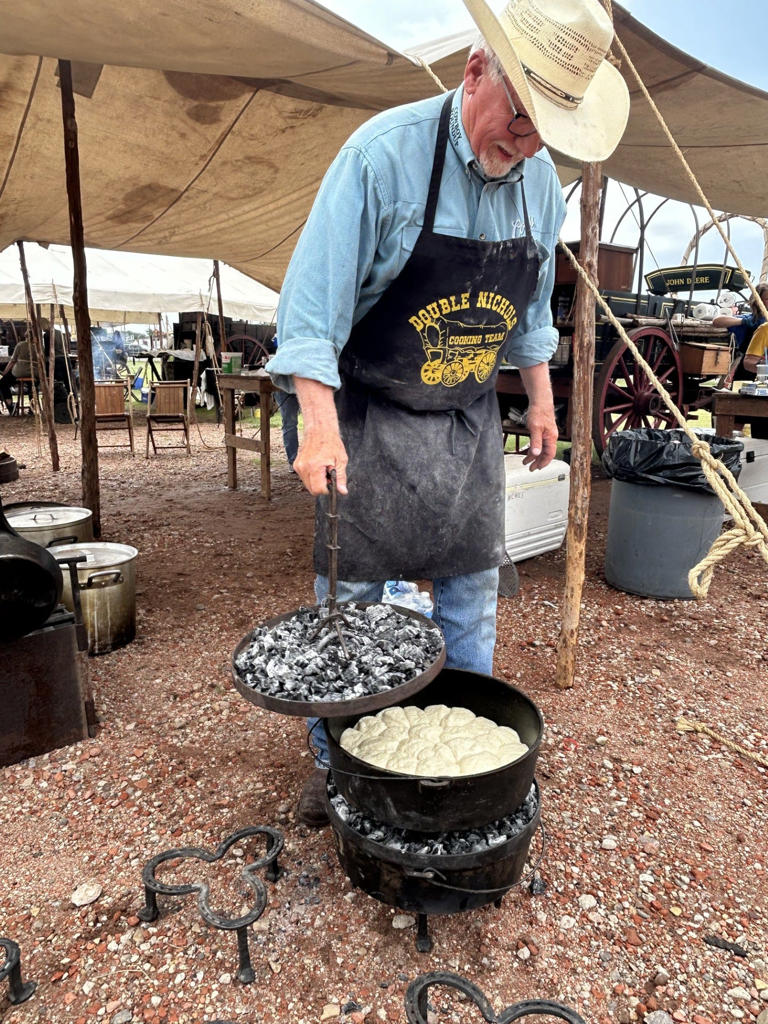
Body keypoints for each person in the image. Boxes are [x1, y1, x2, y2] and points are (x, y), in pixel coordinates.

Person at [266, 0, 629, 826]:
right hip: (363, 404)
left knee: (470, 582)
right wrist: (316, 422)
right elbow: (309, 317)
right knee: (353, 597)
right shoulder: (380, 159)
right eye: (518, 122)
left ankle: (458, 743)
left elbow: (533, 308)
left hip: (463, 411)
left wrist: (539, 397)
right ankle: (341, 764)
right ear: (475, 73)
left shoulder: (539, 182)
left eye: (545, 135)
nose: (526, 147)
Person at [713, 282, 768, 388]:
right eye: (767, 299)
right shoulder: (751, 320)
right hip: (748, 370)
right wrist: (743, 321)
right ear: (758, 302)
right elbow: (717, 321)